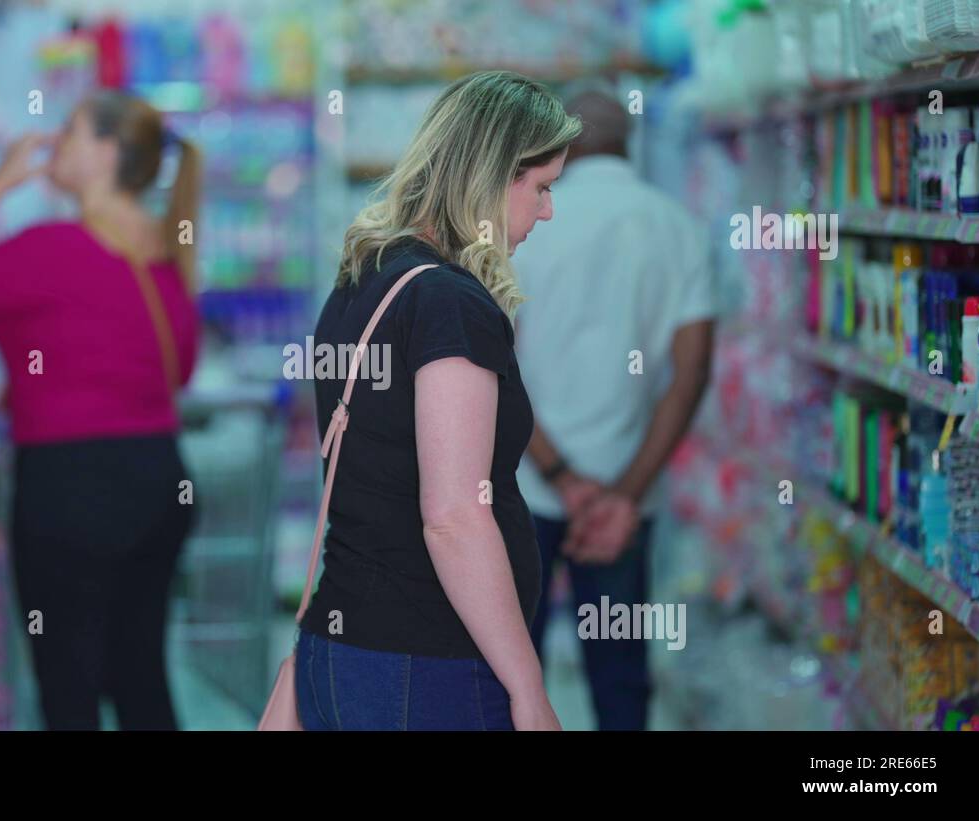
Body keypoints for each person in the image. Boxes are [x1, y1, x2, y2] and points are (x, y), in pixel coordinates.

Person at [294, 71, 581, 731]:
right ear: (491, 175)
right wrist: (527, 683)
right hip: (425, 665)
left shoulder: (365, 278)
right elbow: (454, 515)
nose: (547, 211)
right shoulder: (450, 302)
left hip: (345, 646)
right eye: (541, 188)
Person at [0, 91, 202, 730]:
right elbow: (179, 370)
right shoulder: (165, 252)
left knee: (67, 688)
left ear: (105, 152)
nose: (53, 144)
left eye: (68, 132)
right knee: (142, 676)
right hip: (161, 480)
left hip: (70, 487)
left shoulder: (53, 248)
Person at [512, 83, 715, 731]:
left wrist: (563, 477)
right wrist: (624, 493)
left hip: (527, 486)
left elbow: (494, 367)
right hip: (631, 493)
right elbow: (691, 372)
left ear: (558, 148)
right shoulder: (677, 226)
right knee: (621, 675)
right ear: (630, 143)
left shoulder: (527, 224)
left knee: (513, 672)